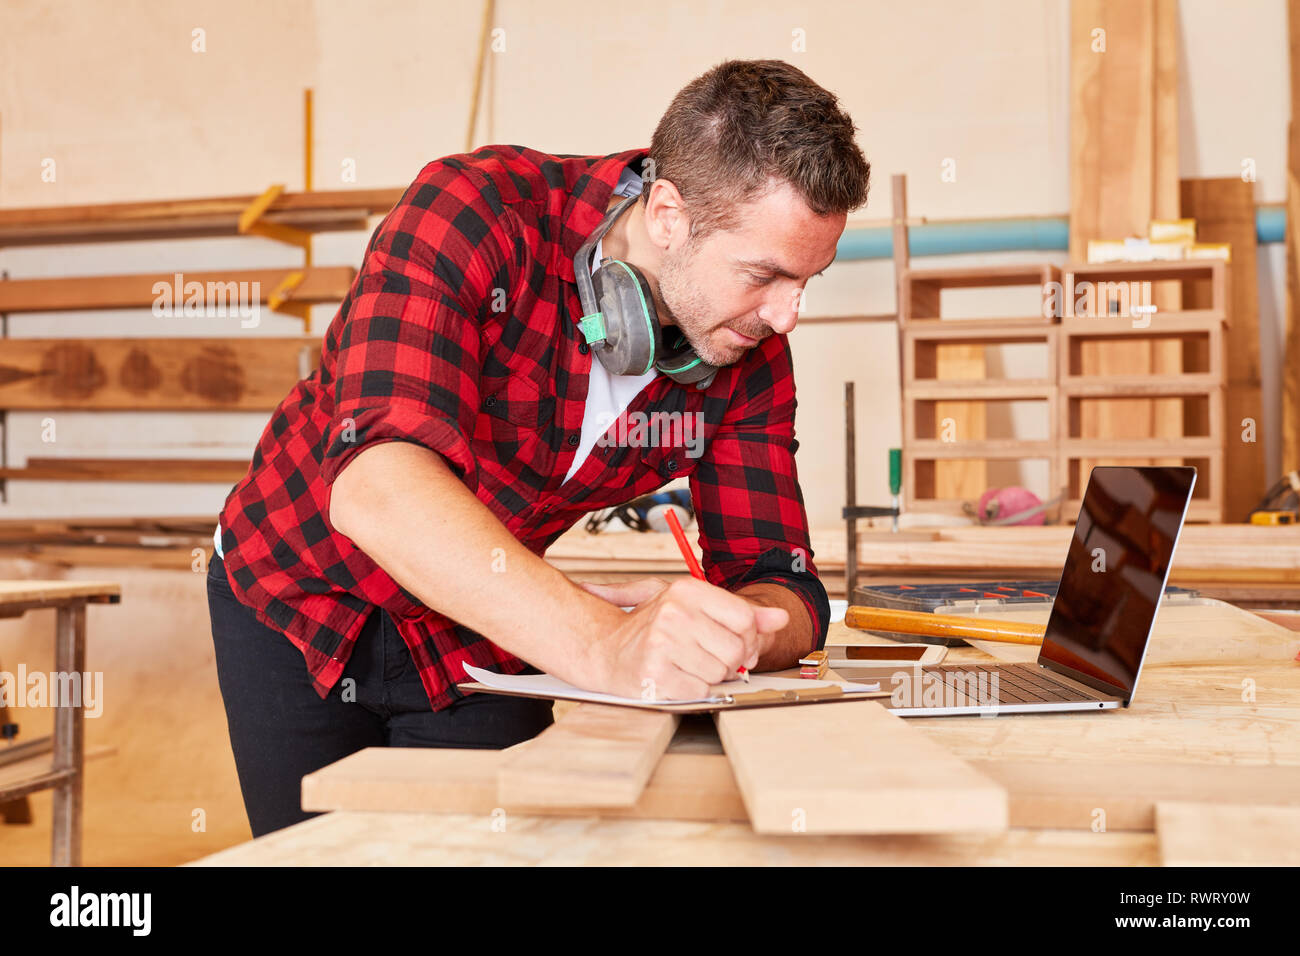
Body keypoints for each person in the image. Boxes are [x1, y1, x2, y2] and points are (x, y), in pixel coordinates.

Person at [207, 57, 871, 836]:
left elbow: (784, 581)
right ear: (667, 214)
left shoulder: (746, 346)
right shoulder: (475, 213)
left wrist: (735, 627)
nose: (787, 316)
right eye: (764, 274)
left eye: (807, 281)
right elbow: (378, 486)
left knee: (486, 855)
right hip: (297, 597)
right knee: (315, 858)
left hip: (475, 632)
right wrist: (605, 644)